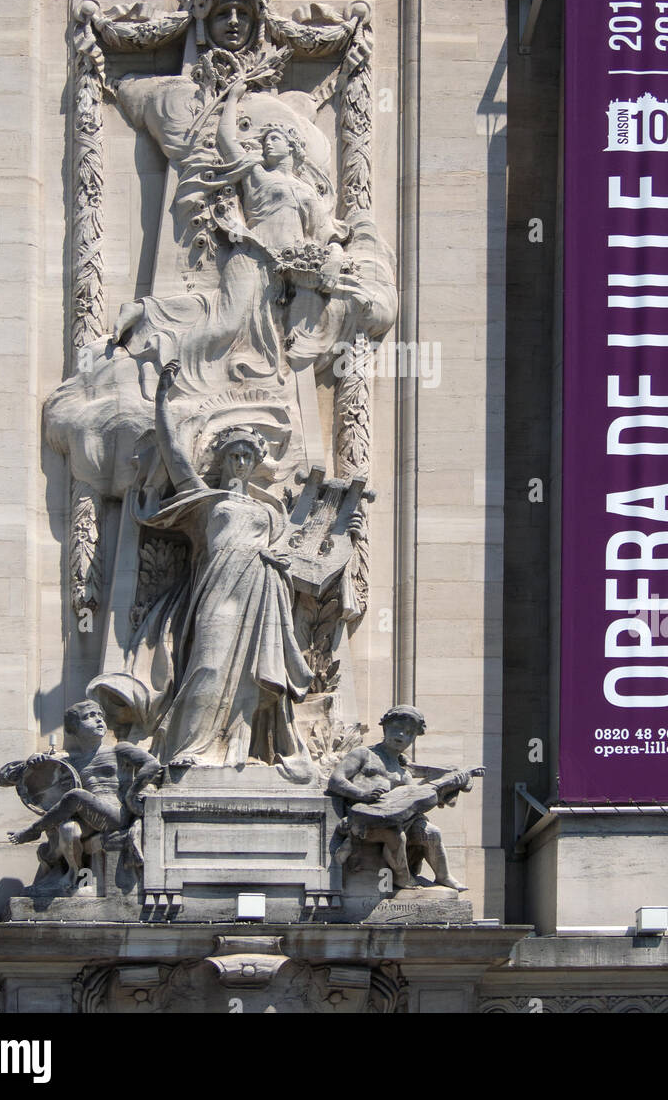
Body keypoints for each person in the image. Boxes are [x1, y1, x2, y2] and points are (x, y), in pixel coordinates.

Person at [136, 360, 314, 769]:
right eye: (234, 453)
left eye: (247, 455)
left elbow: (301, 552)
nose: (239, 461)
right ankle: (191, 749)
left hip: (261, 589)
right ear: (222, 459)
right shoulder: (208, 501)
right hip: (218, 589)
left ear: (255, 463)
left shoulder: (270, 511)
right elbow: (174, 455)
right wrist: (163, 399)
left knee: (252, 677)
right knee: (209, 662)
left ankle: (237, 752)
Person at [1, 699, 162, 891]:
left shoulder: (118, 749)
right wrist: (32, 762)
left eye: (99, 716)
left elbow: (152, 764)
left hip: (116, 814)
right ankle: (73, 874)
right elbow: (5, 778)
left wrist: (132, 793)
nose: (98, 720)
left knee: (76, 794)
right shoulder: (70, 761)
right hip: (88, 819)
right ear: (73, 729)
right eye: (89, 717)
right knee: (68, 829)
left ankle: (32, 831)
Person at [326, 705, 484, 891]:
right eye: (396, 728)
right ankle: (403, 878)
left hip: (400, 820)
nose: (401, 735)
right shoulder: (364, 754)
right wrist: (362, 794)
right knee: (396, 835)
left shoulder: (405, 771)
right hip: (364, 819)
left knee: (432, 833)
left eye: (409, 732)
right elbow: (336, 780)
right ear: (385, 728)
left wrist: (446, 788)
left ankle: (444, 876)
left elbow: (409, 801)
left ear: (414, 738)